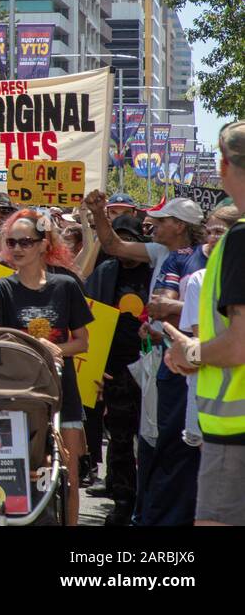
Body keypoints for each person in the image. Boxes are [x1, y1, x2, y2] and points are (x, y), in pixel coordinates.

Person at [85, 191, 206, 525]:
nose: (152, 224)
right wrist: (97, 213)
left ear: (180, 226)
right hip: (153, 358)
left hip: (189, 362)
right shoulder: (159, 252)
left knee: (178, 439)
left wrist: (168, 317)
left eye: (163, 220)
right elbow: (113, 246)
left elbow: (202, 309)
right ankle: (145, 506)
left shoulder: (200, 262)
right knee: (150, 435)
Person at [0, 210, 93, 525]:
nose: (17, 248)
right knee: (21, 471)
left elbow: (82, 342)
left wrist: (55, 349)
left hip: (62, 393)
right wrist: (35, 345)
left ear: (44, 245)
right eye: (12, 242)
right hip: (17, 393)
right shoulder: (0, 288)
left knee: (69, 474)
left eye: (26, 242)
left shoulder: (66, 285)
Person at [164, 121, 245, 526]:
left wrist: (189, 352)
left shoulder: (240, 241)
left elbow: (237, 345)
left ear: (226, 165)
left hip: (235, 430)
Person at [82, 213, 152, 525]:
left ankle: (149, 500)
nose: (122, 247)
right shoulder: (105, 272)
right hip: (116, 370)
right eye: (118, 239)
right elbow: (88, 319)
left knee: (151, 438)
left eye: (128, 240)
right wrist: (95, 368)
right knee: (121, 438)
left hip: (151, 368)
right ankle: (123, 500)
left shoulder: (156, 270)